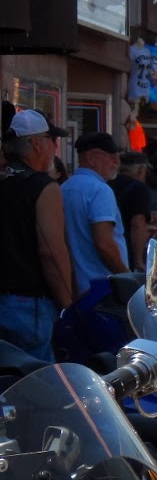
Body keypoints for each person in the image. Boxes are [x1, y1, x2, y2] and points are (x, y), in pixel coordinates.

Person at [0, 110, 74, 357]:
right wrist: (67, 305)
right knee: (37, 388)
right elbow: (51, 252)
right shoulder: (44, 187)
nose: (55, 146)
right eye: (52, 140)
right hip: (28, 306)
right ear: (36, 143)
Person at [61, 131, 129, 298]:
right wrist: (127, 278)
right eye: (112, 156)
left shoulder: (65, 187)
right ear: (91, 158)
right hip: (102, 288)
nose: (117, 162)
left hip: (76, 286)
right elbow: (104, 244)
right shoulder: (100, 190)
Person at [111, 150, 152, 271]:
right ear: (141, 170)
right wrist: (138, 260)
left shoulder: (108, 183)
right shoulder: (139, 189)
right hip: (126, 251)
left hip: (107, 249)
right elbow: (138, 224)